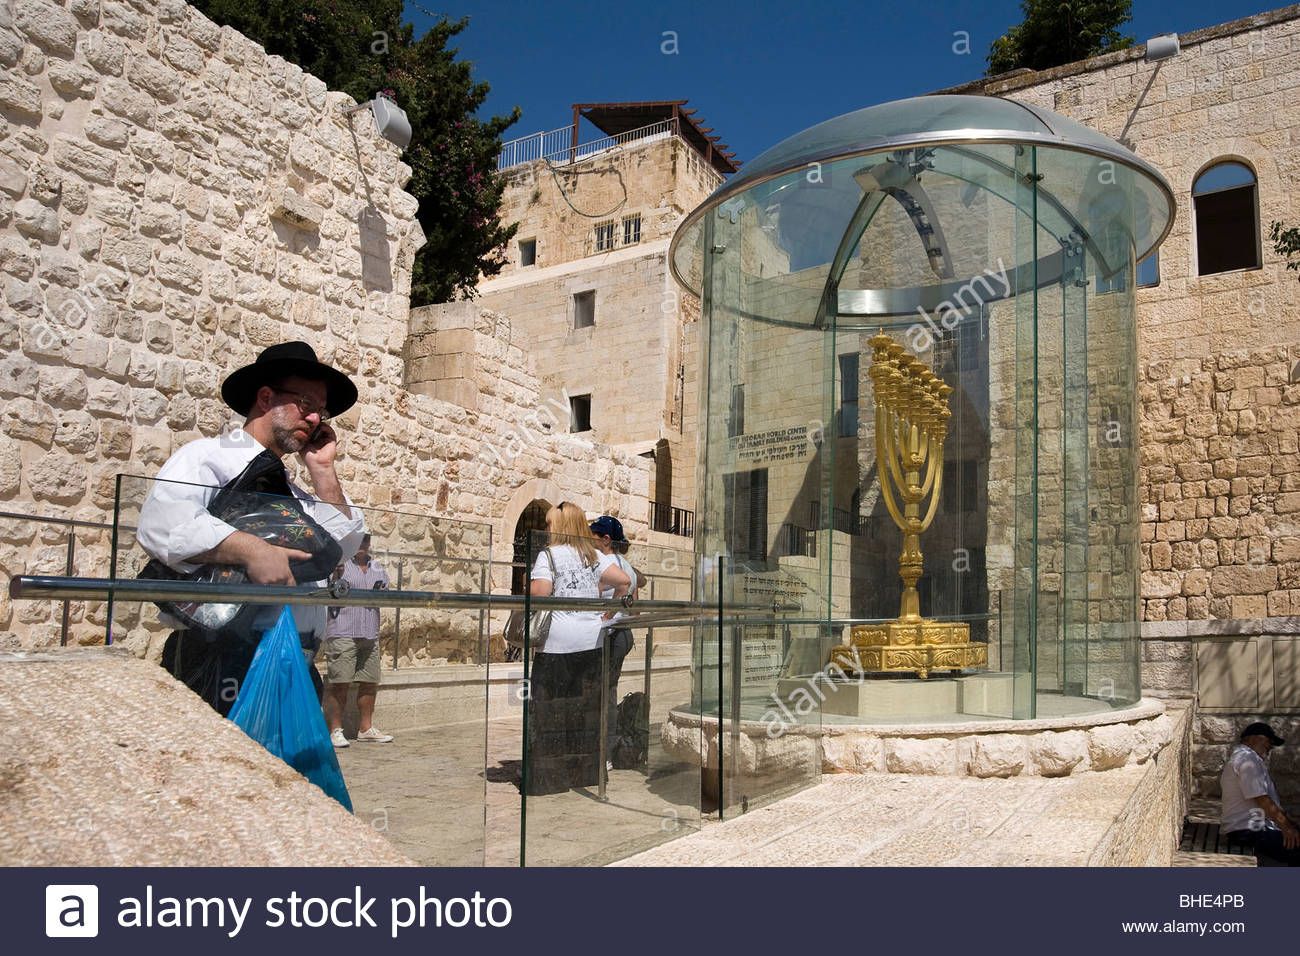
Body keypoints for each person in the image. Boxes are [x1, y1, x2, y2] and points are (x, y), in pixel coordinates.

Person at [137, 341, 366, 715]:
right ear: (265, 397)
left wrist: (323, 470)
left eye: (321, 412)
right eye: (307, 405)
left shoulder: (292, 490)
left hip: (292, 665)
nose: (315, 420)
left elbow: (339, 545)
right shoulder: (210, 456)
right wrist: (252, 549)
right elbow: (165, 523)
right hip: (225, 660)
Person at [526, 502, 630, 795]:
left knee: (550, 712)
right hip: (591, 642)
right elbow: (624, 581)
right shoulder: (593, 555)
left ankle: (549, 779)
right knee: (585, 713)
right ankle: (584, 773)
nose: (546, 529)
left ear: (559, 526)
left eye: (549, 524)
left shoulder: (549, 555)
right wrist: (609, 609)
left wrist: (527, 584)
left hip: (557, 645)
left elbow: (542, 592)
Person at [323, 534, 393, 747]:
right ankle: (335, 730)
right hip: (343, 629)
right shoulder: (340, 565)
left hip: (369, 631)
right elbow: (329, 590)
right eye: (359, 540)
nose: (362, 545)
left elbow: (386, 591)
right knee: (340, 682)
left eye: (366, 540)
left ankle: (366, 728)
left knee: (369, 682)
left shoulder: (378, 567)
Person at [589, 515, 642, 768]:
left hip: (607, 636)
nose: (589, 541)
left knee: (598, 694)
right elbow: (636, 609)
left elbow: (594, 596)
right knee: (608, 693)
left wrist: (606, 616)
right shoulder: (627, 565)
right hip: (623, 635)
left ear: (606, 539)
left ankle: (600, 752)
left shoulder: (604, 562)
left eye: (593, 537)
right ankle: (607, 751)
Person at [1220, 721, 1300, 866]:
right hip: (1247, 831)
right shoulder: (1246, 758)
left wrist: (1289, 822)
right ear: (1253, 739)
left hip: (1253, 829)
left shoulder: (1249, 758)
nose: (1270, 746)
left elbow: (1268, 801)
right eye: (1269, 741)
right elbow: (1262, 800)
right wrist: (1286, 828)